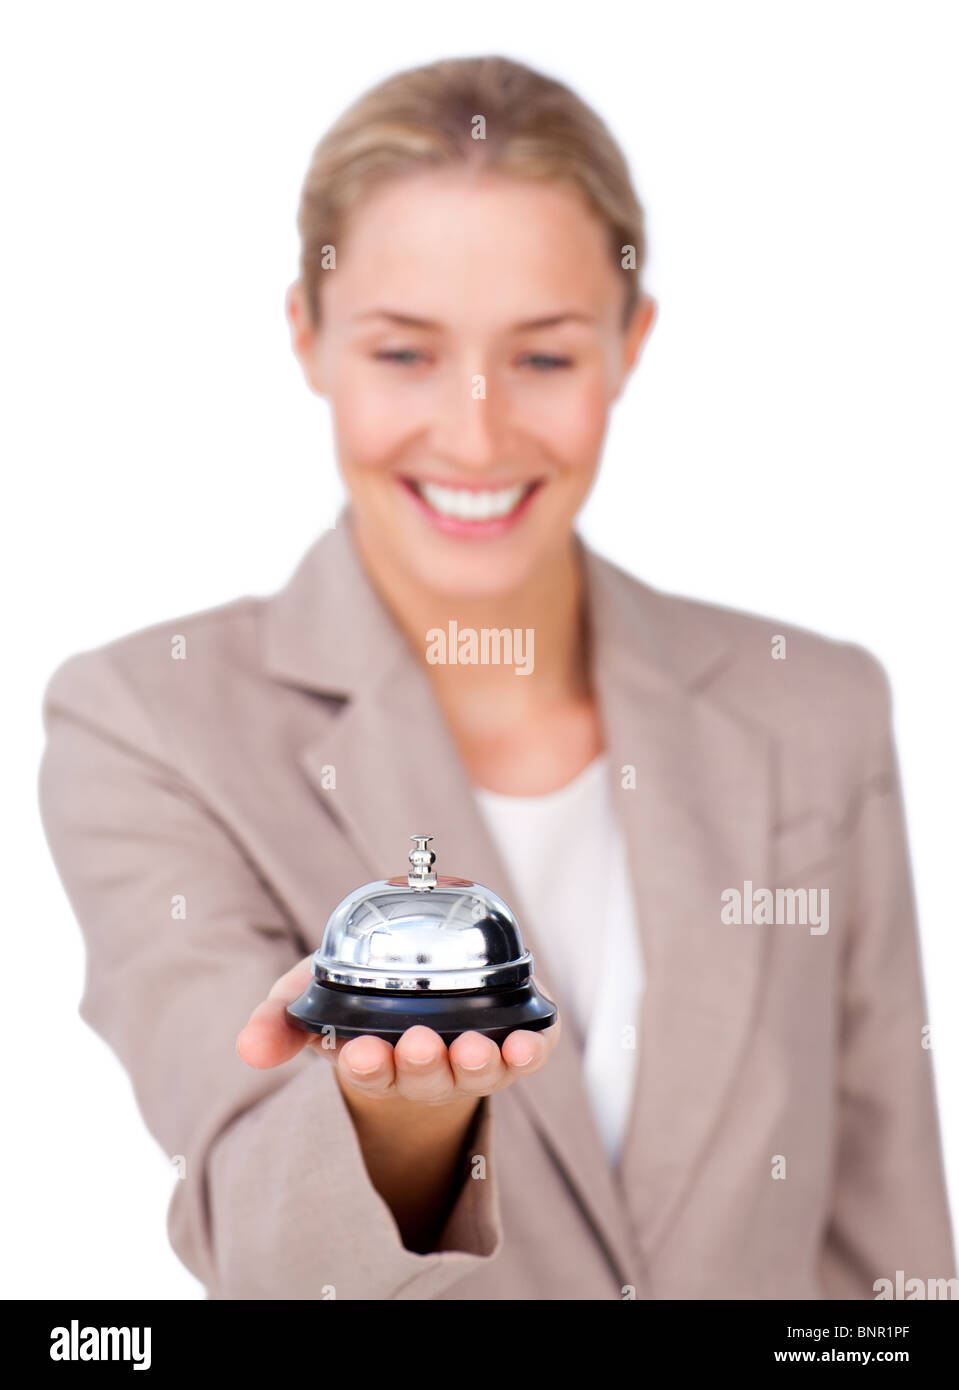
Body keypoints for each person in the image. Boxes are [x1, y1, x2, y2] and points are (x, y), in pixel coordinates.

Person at [38, 54, 955, 1300]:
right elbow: (260, 1239)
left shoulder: (816, 711)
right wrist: (401, 1127)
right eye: (405, 353)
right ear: (305, 336)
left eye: (542, 359)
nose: (474, 436)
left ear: (631, 344)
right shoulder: (148, 724)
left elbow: (885, 1248)